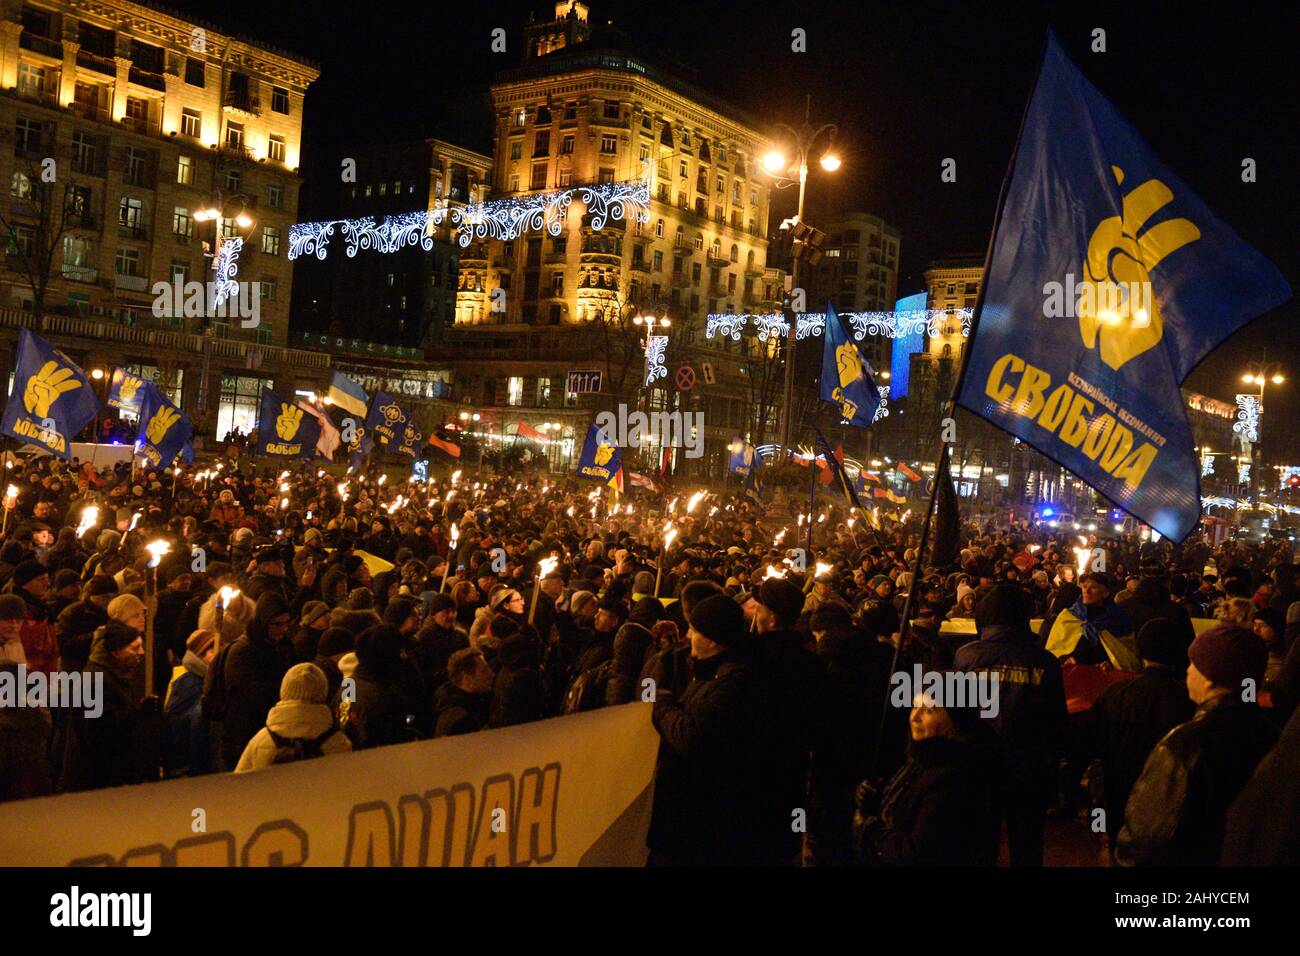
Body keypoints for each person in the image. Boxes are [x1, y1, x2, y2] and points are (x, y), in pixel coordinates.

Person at [1116, 624, 1279, 866]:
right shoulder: (1274, 735)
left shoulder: (1184, 745)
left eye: (1194, 663)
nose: (1188, 670)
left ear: (1211, 678)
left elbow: (1145, 837)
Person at [645, 594, 768, 866]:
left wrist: (662, 708)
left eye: (694, 630)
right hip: (691, 817)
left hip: (703, 822)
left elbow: (692, 736)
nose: (688, 635)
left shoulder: (732, 683)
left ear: (712, 639)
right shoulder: (709, 671)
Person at [953, 582, 1066, 867]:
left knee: (981, 841)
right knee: (1026, 843)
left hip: (977, 765)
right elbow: (1056, 721)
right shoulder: (1045, 661)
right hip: (1030, 767)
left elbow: (956, 713)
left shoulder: (966, 657)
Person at [852, 684, 1001, 866]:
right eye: (915, 706)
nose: (915, 717)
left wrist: (870, 832)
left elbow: (918, 853)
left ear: (955, 721)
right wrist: (873, 798)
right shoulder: (921, 759)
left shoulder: (953, 778)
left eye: (928, 710)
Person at [1081, 618, 1195, 850]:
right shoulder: (1187, 698)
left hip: (1119, 785)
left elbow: (1090, 739)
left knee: (1119, 845)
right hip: (1169, 795)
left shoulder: (1116, 692)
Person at [751, 576, 825, 865]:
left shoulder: (750, 658)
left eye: (760, 609)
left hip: (753, 768)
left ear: (771, 618)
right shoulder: (812, 662)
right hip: (792, 770)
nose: (755, 614)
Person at [59, 621, 160, 791]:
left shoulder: (115, 673)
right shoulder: (95, 682)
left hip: (107, 771)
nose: (141, 653)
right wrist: (140, 714)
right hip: (95, 776)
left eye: (141, 646)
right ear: (116, 652)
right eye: (134, 648)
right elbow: (101, 731)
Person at [216, 593, 295, 769]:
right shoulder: (242, 651)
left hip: (275, 726)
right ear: (264, 621)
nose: (283, 629)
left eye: (286, 623)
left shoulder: (284, 645)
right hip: (244, 732)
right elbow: (253, 691)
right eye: (277, 624)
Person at [235, 663, 351, 772]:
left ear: (284, 691)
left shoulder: (261, 740)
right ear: (323, 693)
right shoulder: (339, 742)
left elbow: (239, 786)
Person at [334, 624, 419, 749]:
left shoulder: (349, 684)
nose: (404, 656)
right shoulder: (385, 698)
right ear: (385, 656)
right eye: (400, 651)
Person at [1045, 571, 1139, 669]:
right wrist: (1065, 659)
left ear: (1105, 593)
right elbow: (1054, 651)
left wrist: (1111, 664)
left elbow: (1127, 655)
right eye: (1084, 587)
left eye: (1093, 587)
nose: (1087, 591)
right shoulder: (1069, 617)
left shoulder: (1118, 618)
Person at [162, 630, 217, 777]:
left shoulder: (200, 677)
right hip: (186, 764)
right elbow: (193, 723)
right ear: (200, 655)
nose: (218, 655)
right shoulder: (189, 682)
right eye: (212, 651)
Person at [433, 647, 495, 737]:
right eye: (484, 671)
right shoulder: (459, 718)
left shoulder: (475, 701)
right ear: (467, 679)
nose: (492, 674)